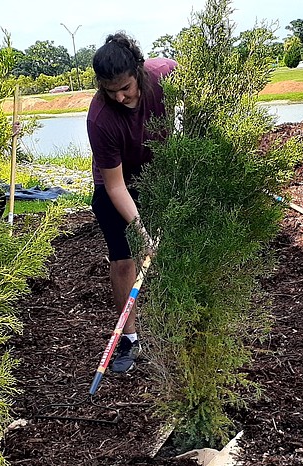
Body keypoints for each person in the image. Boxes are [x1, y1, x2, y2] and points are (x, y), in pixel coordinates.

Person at [87, 33, 176, 373]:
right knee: (125, 259)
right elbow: (116, 185)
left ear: (138, 70)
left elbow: (188, 97)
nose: (120, 97)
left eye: (125, 87)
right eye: (111, 91)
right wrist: (141, 229)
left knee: (175, 248)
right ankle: (129, 337)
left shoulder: (163, 76)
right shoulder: (100, 118)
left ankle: (177, 317)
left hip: (155, 172)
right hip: (116, 184)